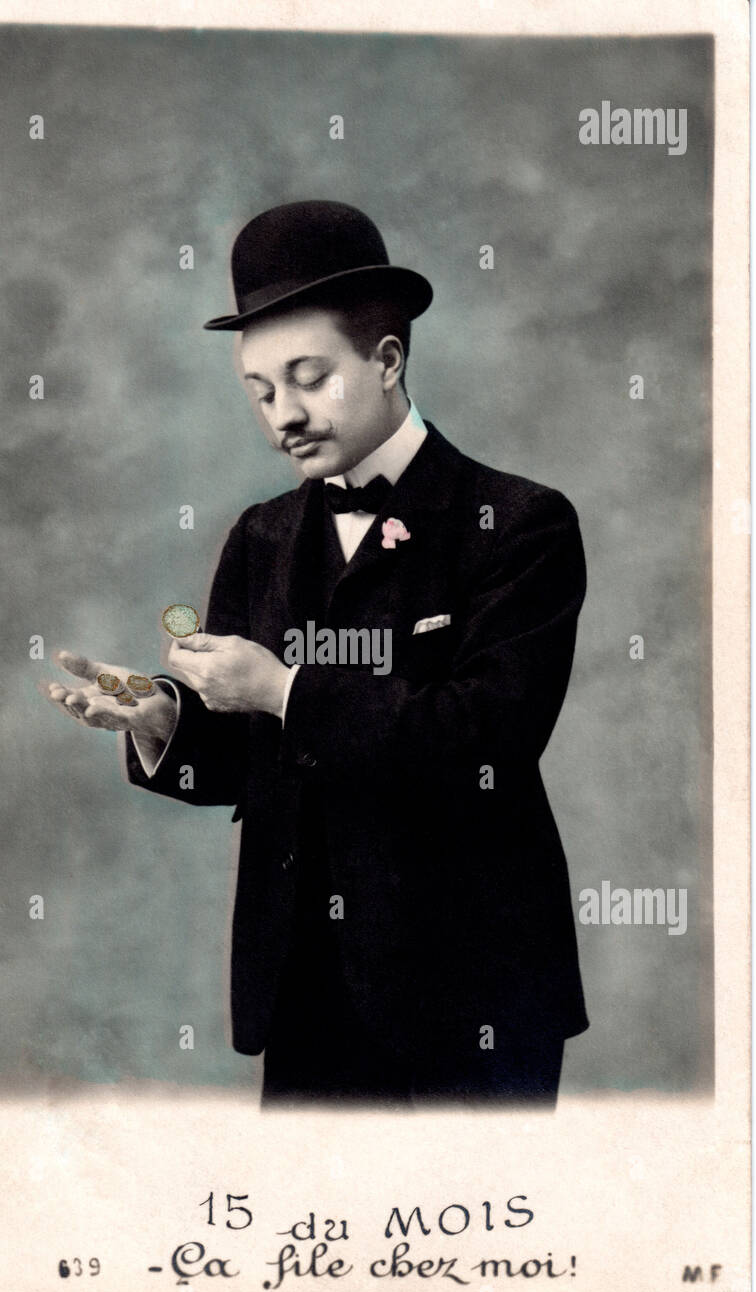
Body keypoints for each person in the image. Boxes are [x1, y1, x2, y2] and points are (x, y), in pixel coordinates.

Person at [44, 200, 589, 1108]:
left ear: (386, 359)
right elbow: (249, 760)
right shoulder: (259, 538)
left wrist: (287, 688)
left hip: (475, 991)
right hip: (302, 992)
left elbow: (487, 738)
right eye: (260, 390)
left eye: (308, 377)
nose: (282, 415)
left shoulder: (520, 524)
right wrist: (164, 726)